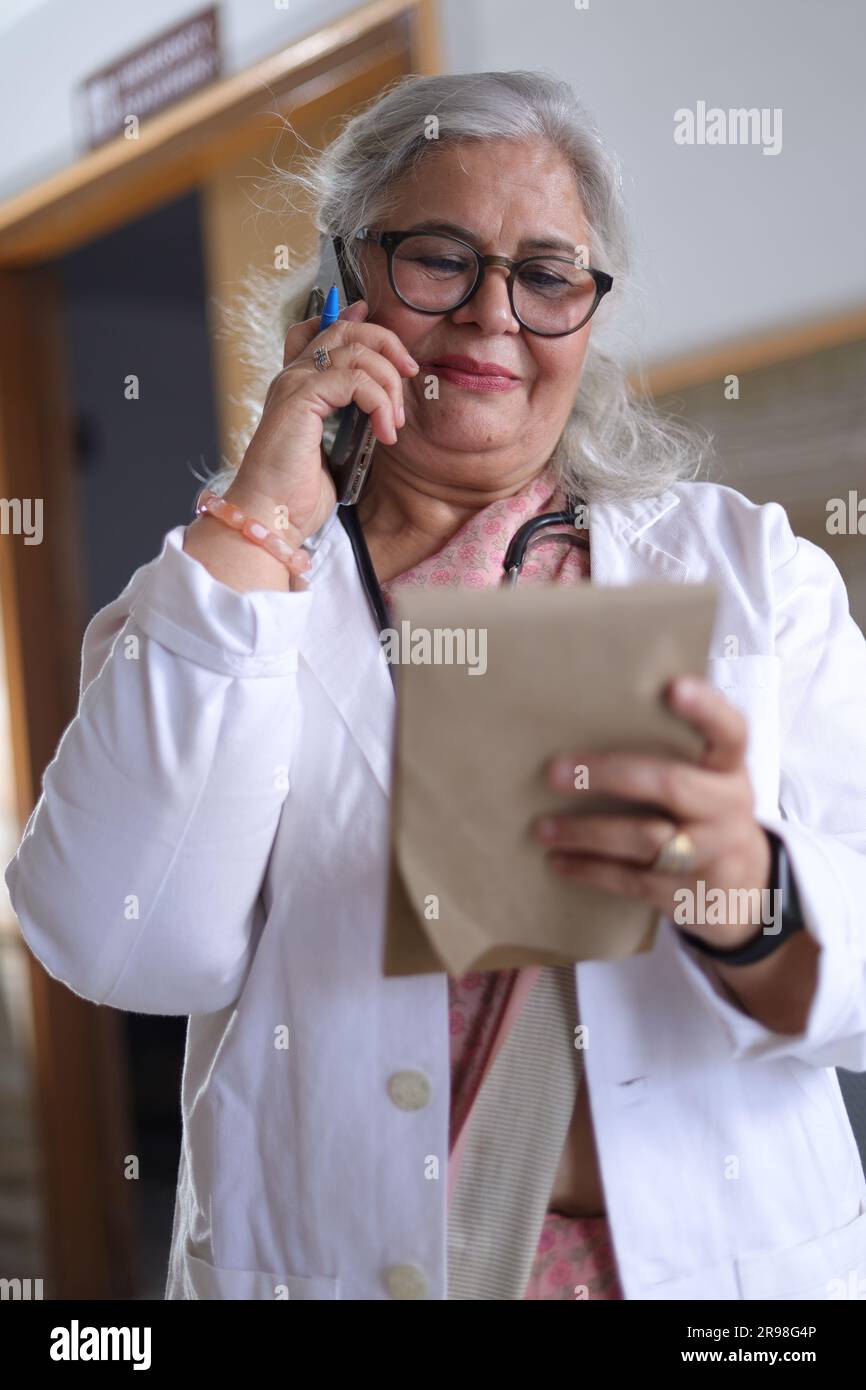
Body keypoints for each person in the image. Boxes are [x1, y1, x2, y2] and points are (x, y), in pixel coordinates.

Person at [6, 70, 866, 1301]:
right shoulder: (219, 594)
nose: (490, 318)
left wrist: (752, 887)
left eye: (546, 274)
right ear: (341, 285)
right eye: (436, 258)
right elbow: (118, 945)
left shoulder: (743, 571)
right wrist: (260, 519)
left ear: (586, 313)